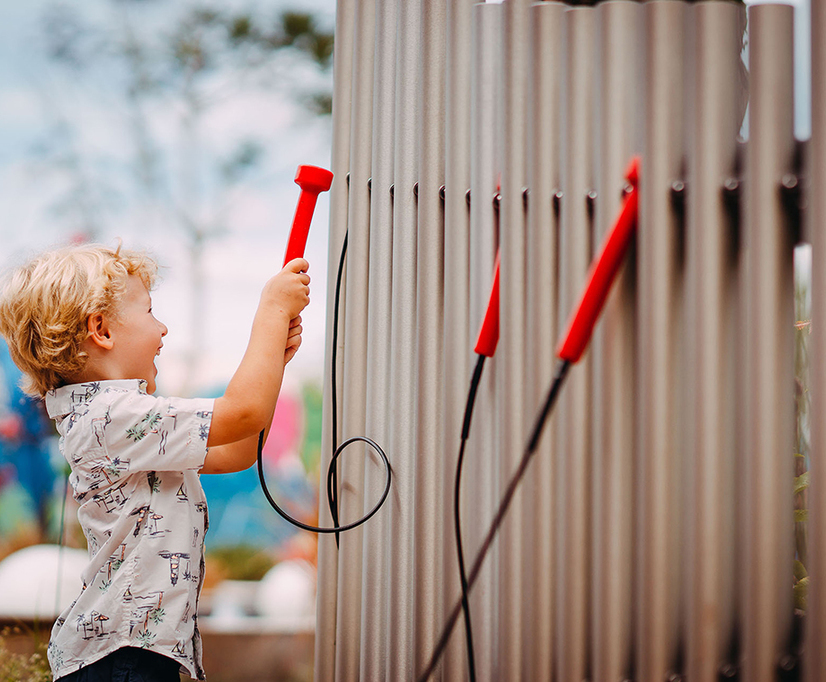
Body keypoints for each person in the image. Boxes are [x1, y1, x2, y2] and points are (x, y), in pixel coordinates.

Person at [0, 243, 310, 681]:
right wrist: (272, 313)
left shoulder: (129, 421)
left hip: (133, 653)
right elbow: (243, 412)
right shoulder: (111, 418)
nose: (162, 328)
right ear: (101, 329)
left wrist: (271, 363)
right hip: (119, 658)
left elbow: (238, 448)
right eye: (149, 312)